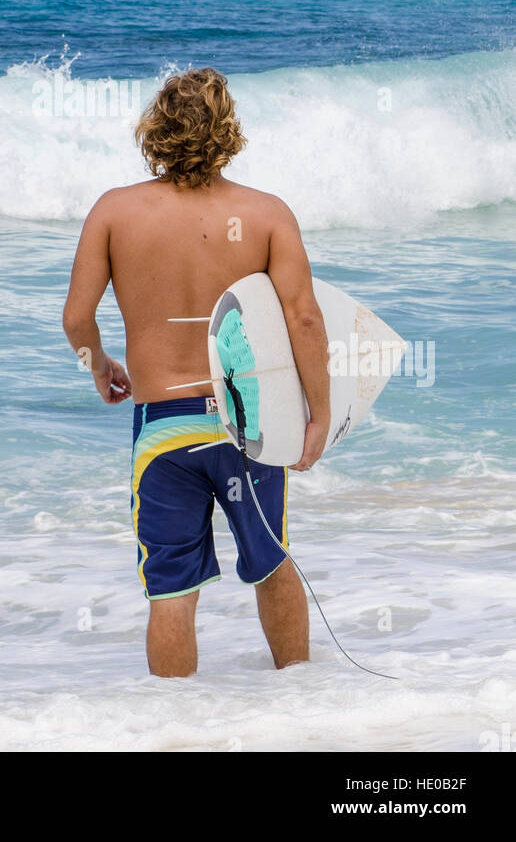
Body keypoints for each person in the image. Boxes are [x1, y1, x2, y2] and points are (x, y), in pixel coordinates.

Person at [62, 67, 331, 676]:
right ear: (228, 130)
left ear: (157, 126)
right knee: (271, 563)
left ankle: (175, 730)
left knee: (172, 591)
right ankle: (305, 708)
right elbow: (306, 319)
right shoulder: (265, 214)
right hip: (247, 425)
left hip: (163, 429)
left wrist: (101, 368)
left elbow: (77, 319)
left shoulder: (114, 211)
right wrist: (318, 413)